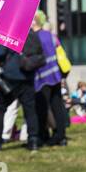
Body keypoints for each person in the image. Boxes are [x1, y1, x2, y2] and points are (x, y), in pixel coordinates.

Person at [0, 33, 43, 151]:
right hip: (28, 76)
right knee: (30, 110)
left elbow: (0, 53)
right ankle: (33, 140)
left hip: (11, 76)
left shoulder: (12, 32)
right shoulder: (33, 35)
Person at [32, 11, 67, 147]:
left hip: (42, 78)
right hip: (55, 75)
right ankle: (61, 137)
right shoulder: (51, 36)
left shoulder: (34, 37)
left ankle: (42, 136)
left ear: (34, 21)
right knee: (57, 107)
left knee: (41, 109)